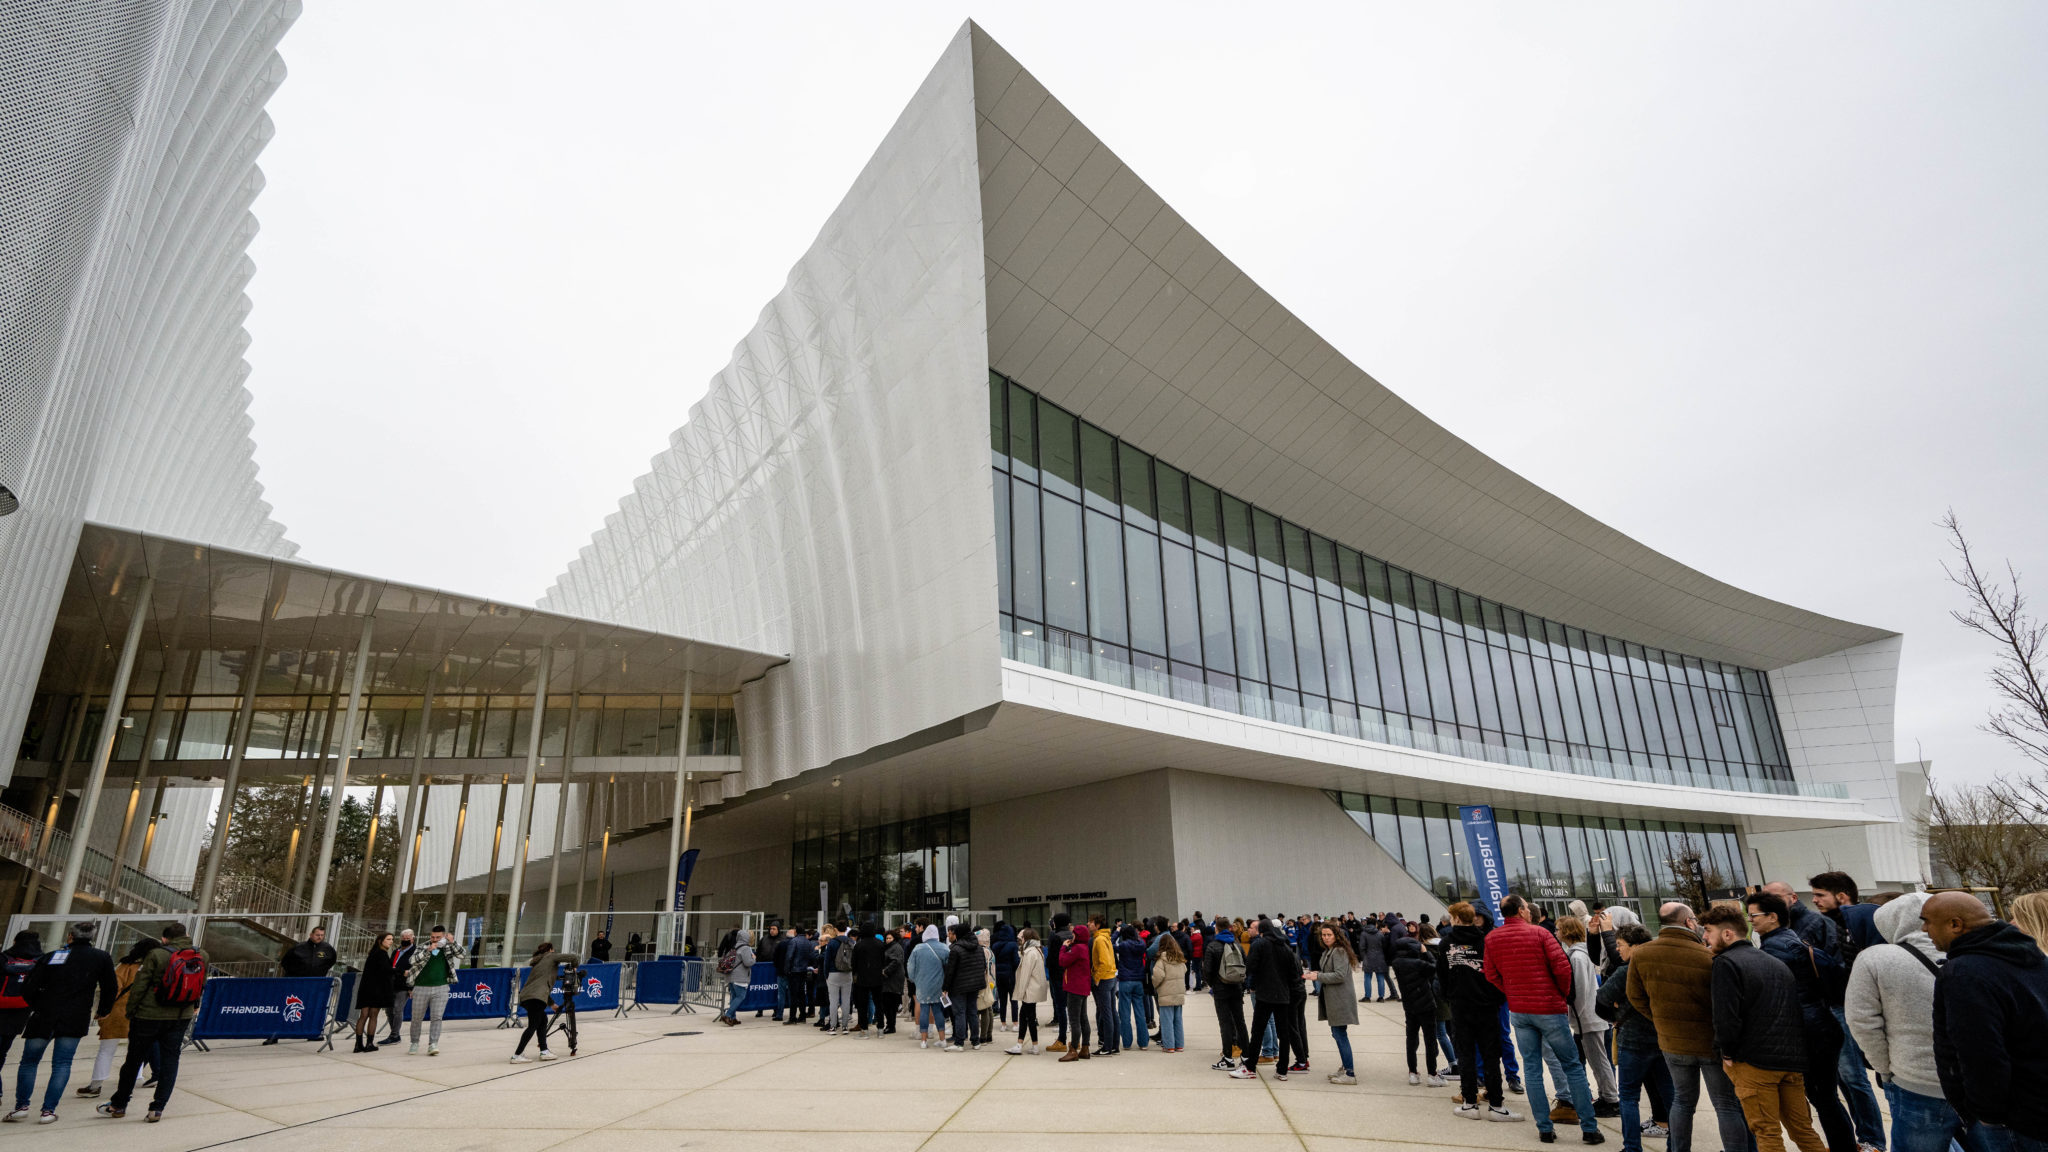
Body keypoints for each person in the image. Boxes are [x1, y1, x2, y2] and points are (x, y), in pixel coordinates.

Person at [1923, 890, 2048, 1150]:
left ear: (1955, 924)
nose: (1924, 930)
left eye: (1927, 921)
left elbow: (1981, 1052)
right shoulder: (2029, 956)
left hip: (2016, 1118)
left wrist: (1986, 1114)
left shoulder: (1965, 973)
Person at [1844, 892, 1965, 1152]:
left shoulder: (1875, 958)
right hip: (1979, 1078)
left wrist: (1886, 1069)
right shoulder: (1971, 953)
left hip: (1915, 1080)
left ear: (1888, 921)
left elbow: (1862, 1023)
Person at [1701, 904, 1826, 1152]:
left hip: (1754, 1063)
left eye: (1708, 930)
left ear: (1727, 934)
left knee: (1767, 1133)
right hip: (1790, 1061)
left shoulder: (1725, 963)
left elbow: (1726, 1017)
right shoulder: (1775, 962)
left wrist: (1726, 1051)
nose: (1704, 936)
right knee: (1803, 1129)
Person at [1628, 901, 1749, 1152]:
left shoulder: (1642, 954)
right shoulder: (1709, 956)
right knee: (1725, 1104)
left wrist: (1660, 1019)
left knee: (1682, 1102)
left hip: (1672, 1042)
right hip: (1710, 1043)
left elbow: (1635, 996)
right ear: (1688, 922)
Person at [1485, 895, 1602, 1145]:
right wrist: (1559, 994)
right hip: (1549, 1007)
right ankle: (1589, 1128)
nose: (1529, 911)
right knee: (1572, 1065)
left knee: (1532, 1069)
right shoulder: (1540, 934)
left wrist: (1512, 991)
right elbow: (1562, 967)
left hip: (1520, 1009)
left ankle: (1544, 1128)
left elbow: (1491, 973)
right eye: (1526, 907)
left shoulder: (1492, 938)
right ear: (1520, 911)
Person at [1747, 891, 1857, 1152]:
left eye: (1754, 916)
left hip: (1810, 1031)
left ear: (1772, 917)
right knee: (1826, 1097)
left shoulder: (1776, 949)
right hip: (1821, 1023)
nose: (1751, 921)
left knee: (1824, 1098)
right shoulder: (1791, 939)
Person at [5, 923, 115, 1124]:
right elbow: (110, 987)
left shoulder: (53, 956)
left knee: (29, 1061)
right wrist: (103, 1011)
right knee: (62, 1063)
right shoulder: (101, 957)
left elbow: (30, 985)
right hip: (75, 1016)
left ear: (70, 936)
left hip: (44, 1014)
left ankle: (21, 1106)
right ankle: (48, 1111)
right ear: (92, 938)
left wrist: (37, 1005)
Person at [1810, 872, 1889, 1152]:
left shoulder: (1856, 927)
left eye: (1820, 895)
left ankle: (1872, 1141)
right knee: (1845, 1078)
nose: (1815, 900)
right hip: (1832, 1007)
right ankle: (1861, 1139)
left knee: (1854, 1077)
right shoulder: (1826, 926)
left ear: (1841, 896)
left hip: (1848, 1007)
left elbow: (1854, 970)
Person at [97, 922, 205, 1122]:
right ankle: (157, 1108)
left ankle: (119, 1104)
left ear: (164, 939)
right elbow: (200, 983)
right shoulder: (201, 955)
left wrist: (131, 1011)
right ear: (187, 936)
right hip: (181, 1015)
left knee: (133, 1060)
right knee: (170, 1061)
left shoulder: (156, 955)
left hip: (149, 1015)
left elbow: (140, 986)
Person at [1596, 923, 1673, 1152]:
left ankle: (1632, 1148)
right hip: (1663, 1039)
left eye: (1620, 945)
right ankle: (1676, 1144)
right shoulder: (1665, 968)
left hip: (1632, 1041)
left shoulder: (1626, 971)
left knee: (1629, 1097)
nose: (1618, 950)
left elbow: (1601, 1001)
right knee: (1671, 1096)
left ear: (1636, 946)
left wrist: (1616, 1015)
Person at [1441, 903, 1519, 1122]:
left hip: (1461, 1007)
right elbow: (1499, 974)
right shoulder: (1487, 941)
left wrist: (1452, 997)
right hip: (1486, 1007)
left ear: (1456, 918)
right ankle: (1496, 1105)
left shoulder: (1448, 943)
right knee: (1491, 1056)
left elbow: (1442, 977)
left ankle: (1470, 1104)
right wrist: (1495, 999)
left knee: (1466, 1056)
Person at [74, 938, 156, 1100]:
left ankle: (96, 1084)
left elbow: (113, 988)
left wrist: (103, 1009)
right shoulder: (154, 968)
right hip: (142, 1013)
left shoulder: (125, 966)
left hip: (119, 1012)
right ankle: (136, 1078)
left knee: (106, 1050)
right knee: (136, 1050)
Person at [1558, 916, 1621, 1118]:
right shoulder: (1580, 953)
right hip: (1590, 1016)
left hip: (1588, 1017)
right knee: (1598, 1060)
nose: (1556, 932)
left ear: (1567, 932)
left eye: (1559, 929)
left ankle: (1611, 1099)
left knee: (1599, 1060)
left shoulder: (1576, 956)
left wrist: (1579, 1017)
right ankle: (1608, 1096)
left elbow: (1581, 990)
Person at [1232, 918, 1302, 1081]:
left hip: (1264, 994)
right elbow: (1294, 972)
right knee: (1283, 1034)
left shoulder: (1260, 944)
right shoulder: (1285, 947)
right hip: (1283, 995)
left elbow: (1251, 967)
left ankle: (1250, 1067)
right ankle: (1282, 1070)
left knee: (1257, 1032)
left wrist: (1252, 984)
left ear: (1261, 931)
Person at [511, 942, 579, 1062]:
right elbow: (573, 957)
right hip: (536, 998)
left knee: (542, 1021)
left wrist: (552, 1004)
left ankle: (544, 1051)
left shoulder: (538, 961)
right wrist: (574, 967)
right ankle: (517, 1055)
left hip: (528, 996)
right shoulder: (551, 956)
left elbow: (540, 986)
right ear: (551, 950)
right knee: (533, 1026)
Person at [1388, 935, 1439, 1086]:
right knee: (1430, 1040)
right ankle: (1432, 1074)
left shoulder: (1397, 963)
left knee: (1411, 1039)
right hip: (1426, 1004)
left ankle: (1413, 1072)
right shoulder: (1419, 963)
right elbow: (1435, 967)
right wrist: (1425, 952)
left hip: (1409, 1005)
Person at [405, 925, 460, 1055]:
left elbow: (462, 954)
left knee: (437, 1017)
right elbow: (412, 960)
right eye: (432, 937)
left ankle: (433, 1044)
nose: (435, 939)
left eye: (438, 937)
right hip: (420, 987)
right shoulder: (424, 946)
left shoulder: (448, 946)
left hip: (441, 987)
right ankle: (414, 1042)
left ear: (444, 936)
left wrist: (453, 942)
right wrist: (428, 950)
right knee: (416, 1018)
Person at [1206, 917, 1249, 1071]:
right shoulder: (1236, 944)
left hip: (1221, 989)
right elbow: (1245, 965)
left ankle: (1228, 1058)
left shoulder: (1213, 946)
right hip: (1236, 988)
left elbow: (1208, 971)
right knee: (1240, 1023)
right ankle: (1246, 1057)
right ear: (1230, 928)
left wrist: (1214, 985)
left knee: (1225, 1024)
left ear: (1216, 928)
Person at [0, 931, 41, 1078]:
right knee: (3, 1050)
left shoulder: (4, 958)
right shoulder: (40, 962)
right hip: (21, 1009)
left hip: (1, 1006)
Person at [942, 922, 986, 1051]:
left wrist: (945, 988)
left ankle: (959, 1042)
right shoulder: (978, 947)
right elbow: (982, 966)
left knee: (959, 1013)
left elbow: (950, 971)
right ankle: (975, 1041)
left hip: (959, 986)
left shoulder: (955, 949)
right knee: (972, 1012)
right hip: (975, 985)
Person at [352, 932, 396, 1053]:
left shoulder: (372, 953)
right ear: (380, 941)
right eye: (388, 939)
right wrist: (400, 971)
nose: (391, 941)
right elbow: (386, 970)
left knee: (363, 1016)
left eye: (392, 939)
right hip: (376, 989)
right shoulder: (382, 954)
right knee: (373, 1016)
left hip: (366, 988)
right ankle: (369, 1043)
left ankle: (358, 1044)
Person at [1007, 928, 1048, 1055]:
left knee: (1024, 1017)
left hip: (1030, 990)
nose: (1020, 941)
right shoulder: (1037, 950)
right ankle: (1033, 1046)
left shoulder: (1030, 953)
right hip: (1034, 989)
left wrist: (1020, 992)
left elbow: (1025, 975)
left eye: (1022, 938)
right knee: (1029, 1017)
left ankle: (1020, 1045)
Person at [1057, 922, 1094, 1062]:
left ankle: (1073, 1049)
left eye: (1074, 934)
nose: (1071, 935)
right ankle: (1085, 1047)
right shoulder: (1084, 947)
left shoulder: (1077, 948)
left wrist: (1064, 947)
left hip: (1074, 987)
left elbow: (1062, 961)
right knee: (1083, 1018)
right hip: (1083, 987)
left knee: (1074, 1020)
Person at [909, 925, 949, 1049]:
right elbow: (949, 968)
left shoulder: (917, 948)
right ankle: (942, 1039)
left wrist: (915, 979)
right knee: (938, 1011)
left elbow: (910, 968)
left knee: (924, 1011)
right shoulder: (944, 948)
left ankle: (923, 1041)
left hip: (922, 984)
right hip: (938, 984)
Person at [1151, 932, 1189, 1055]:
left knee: (1166, 1020)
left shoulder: (1161, 959)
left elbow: (1158, 975)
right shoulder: (1180, 958)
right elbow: (1185, 970)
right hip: (1178, 993)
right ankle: (1179, 1044)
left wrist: (1155, 985)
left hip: (1166, 993)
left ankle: (1169, 1045)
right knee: (1178, 1020)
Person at [1114, 924, 1149, 1052]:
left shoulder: (1123, 945)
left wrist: (1117, 932)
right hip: (1138, 980)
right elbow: (1140, 940)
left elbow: (1111, 946)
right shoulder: (1141, 944)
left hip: (1125, 979)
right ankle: (1143, 1042)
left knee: (1125, 1013)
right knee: (1140, 1013)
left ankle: (1127, 1042)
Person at [1089, 915, 1119, 1056]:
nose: (1088, 924)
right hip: (1111, 977)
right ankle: (1114, 1045)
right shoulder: (1105, 937)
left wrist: (1097, 977)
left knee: (1106, 1013)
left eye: (1091, 922)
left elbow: (1104, 962)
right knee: (1112, 1012)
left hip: (1105, 979)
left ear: (1098, 924)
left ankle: (1107, 1046)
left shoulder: (1099, 939)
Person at [381, 929, 415, 1047]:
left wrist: (411, 987)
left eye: (408, 938)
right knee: (389, 1010)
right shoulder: (396, 951)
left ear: (412, 939)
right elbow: (391, 966)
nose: (405, 940)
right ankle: (394, 1033)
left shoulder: (415, 952)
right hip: (391, 984)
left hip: (404, 985)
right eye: (403, 938)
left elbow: (415, 970)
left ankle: (394, 1035)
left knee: (397, 1009)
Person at [717, 929, 755, 1027]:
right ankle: (728, 1015)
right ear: (746, 937)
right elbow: (748, 963)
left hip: (731, 976)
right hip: (740, 977)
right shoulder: (745, 948)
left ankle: (732, 1018)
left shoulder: (734, 947)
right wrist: (754, 959)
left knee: (734, 997)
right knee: (740, 996)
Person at [821, 923, 853, 1035]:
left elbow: (827, 960)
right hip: (847, 973)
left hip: (833, 973)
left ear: (835, 929)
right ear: (846, 929)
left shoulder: (832, 943)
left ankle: (833, 1026)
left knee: (833, 1001)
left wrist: (826, 975)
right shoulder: (851, 941)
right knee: (846, 1001)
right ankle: (845, 1027)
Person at [877, 927, 905, 1036]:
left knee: (890, 1004)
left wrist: (885, 971)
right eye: (886, 938)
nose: (888, 940)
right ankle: (890, 1024)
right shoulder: (889, 947)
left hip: (893, 979)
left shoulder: (895, 947)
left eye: (890, 938)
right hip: (889, 979)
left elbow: (896, 962)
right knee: (887, 1004)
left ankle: (891, 1025)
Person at [992, 921, 1019, 1031]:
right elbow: (1016, 961)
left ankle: (1003, 1024)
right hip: (1010, 975)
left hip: (999, 975)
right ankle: (1015, 1023)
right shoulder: (1013, 945)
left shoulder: (994, 946)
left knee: (1002, 1000)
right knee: (1014, 1000)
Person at [1358, 916, 1392, 1001]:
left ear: (1367, 923)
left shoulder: (1364, 933)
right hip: (1380, 957)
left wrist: (1364, 957)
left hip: (1368, 957)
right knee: (1380, 977)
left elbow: (1361, 947)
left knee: (1367, 977)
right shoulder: (1380, 934)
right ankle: (1381, 997)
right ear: (1375, 924)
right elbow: (1384, 946)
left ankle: (1367, 996)